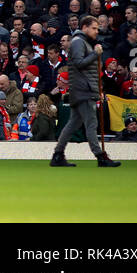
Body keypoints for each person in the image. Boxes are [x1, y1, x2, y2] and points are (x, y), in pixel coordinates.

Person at [51, 16, 119, 167]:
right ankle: (100, 156)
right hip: (84, 90)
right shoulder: (78, 42)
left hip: (81, 89)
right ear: (85, 27)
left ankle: (58, 155)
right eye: (94, 28)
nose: (96, 31)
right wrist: (95, 54)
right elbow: (79, 63)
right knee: (91, 123)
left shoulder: (81, 42)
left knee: (73, 124)